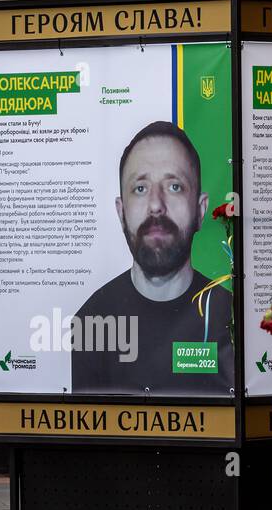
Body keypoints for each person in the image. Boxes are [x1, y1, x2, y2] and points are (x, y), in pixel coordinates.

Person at [71, 120, 234, 395]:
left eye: (174, 187)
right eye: (140, 189)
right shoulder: (92, 321)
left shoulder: (230, 317)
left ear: (200, 209)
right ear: (121, 212)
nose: (156, 205)